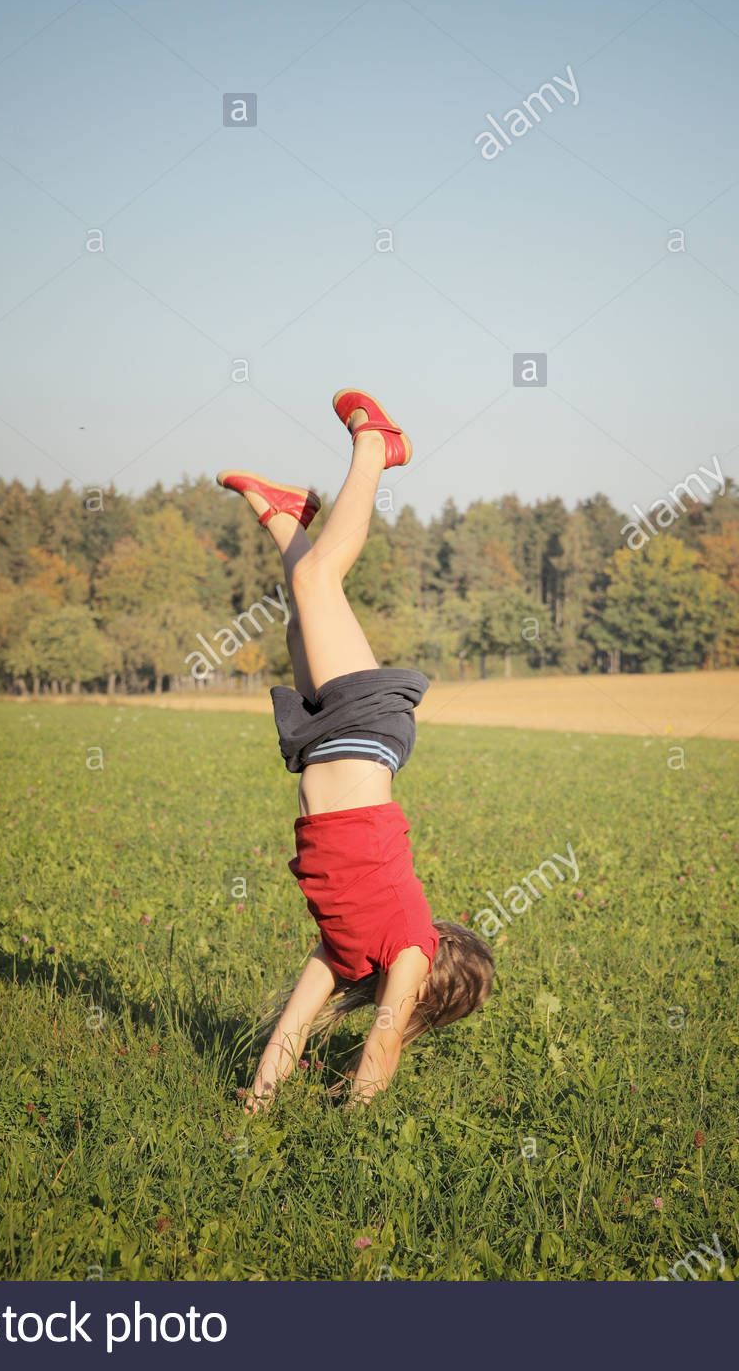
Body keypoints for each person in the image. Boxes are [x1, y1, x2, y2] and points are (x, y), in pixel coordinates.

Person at [217, 389, 494, 1112]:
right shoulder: (409, 946)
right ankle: (378, 447)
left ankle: (291, 520)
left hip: (318, 748)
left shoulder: (341, 955)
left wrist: (257, 1104)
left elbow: (292, 1028)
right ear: (431, 973)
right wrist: (359, 1110)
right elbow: (381, 1046)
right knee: (317, 584)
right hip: (365, 736)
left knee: (300, 618)